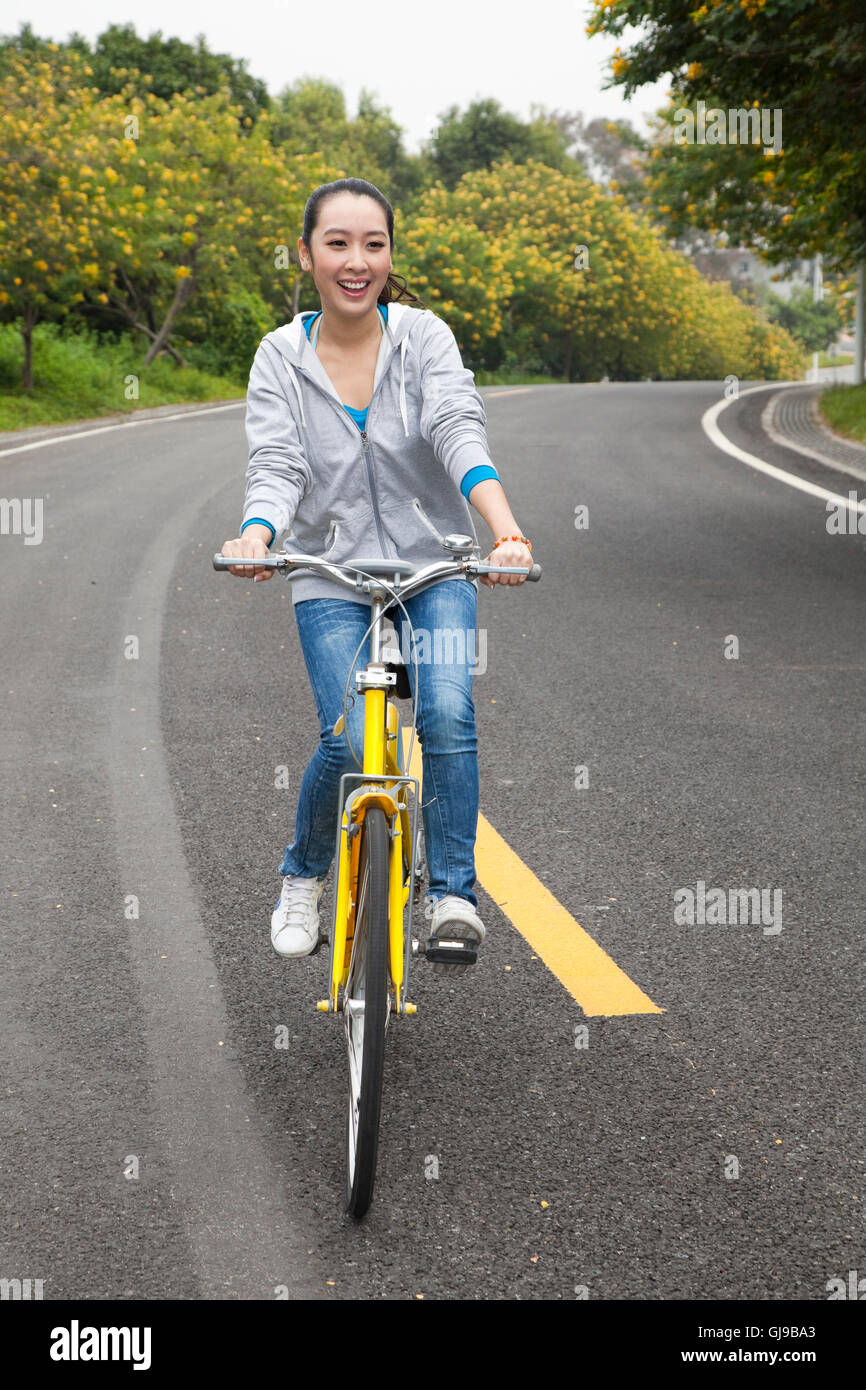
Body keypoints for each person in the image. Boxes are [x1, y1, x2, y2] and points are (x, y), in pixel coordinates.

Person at [220, 177, 534, 975]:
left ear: (390, 254)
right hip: (329, 571)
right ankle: (303, 876)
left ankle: (451, 896)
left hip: (434, 565)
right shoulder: (279, 357)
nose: (357, 262)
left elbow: (456, 429)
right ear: (307, 254)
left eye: (374, 244)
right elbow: (278, 464)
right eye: (338, 244)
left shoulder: (424, 339)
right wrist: (258, 533)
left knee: (449, 715)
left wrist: (503, 531)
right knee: (351, 737)